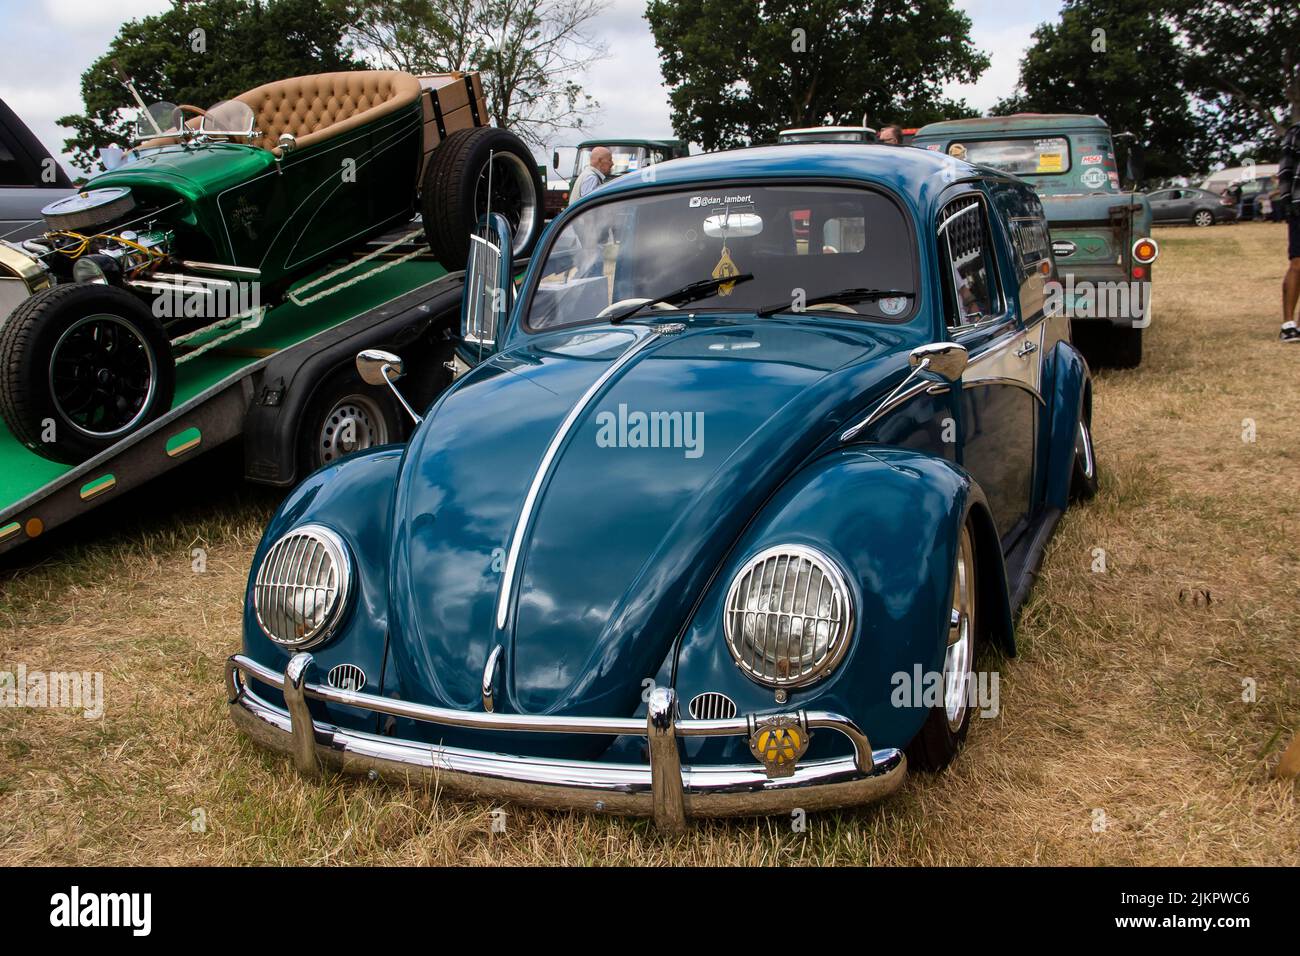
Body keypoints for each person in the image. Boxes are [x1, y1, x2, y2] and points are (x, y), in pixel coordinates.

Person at [1279, 120, 1300, 343]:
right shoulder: (1296, 132)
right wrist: (1288, 206)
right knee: (1297, 264)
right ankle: (1288, 324)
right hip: (1299, 206)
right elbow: (1285, 170)